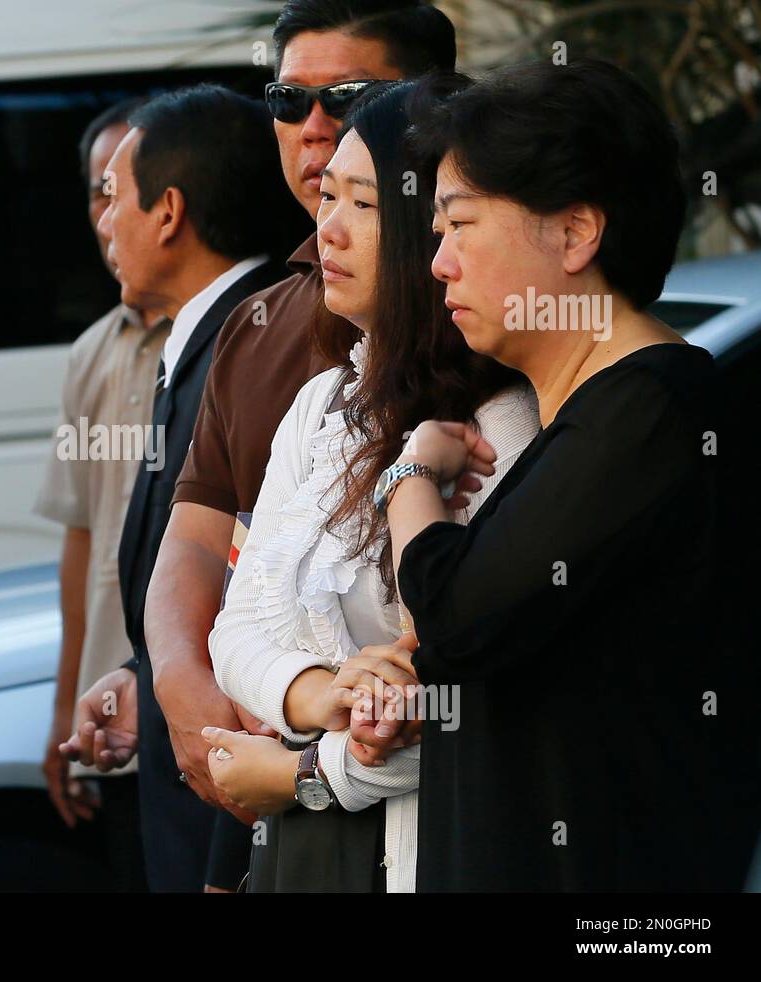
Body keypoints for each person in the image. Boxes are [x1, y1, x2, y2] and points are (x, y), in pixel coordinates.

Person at [385, 59, 760, 890]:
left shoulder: (653, 409)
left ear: (575, 233)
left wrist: (409, 475)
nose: (437, 263)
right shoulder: (595, 416)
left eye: (460, 224)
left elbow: (454, 615)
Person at [144, 0, 458, 892]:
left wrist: (312, 767)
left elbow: (464, 702)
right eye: (288, 99)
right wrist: (207, 684)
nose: (315, 125)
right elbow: (222, 581)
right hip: (268, 812)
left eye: (354, 96)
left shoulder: (504, 405)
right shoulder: (299, 364)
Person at [202, 77, 538, 892]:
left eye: (364, 204)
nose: (329, 227)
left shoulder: (498, 428)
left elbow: (469, 711)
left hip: (417, 853)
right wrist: (321, 695)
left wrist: (308, 773)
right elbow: (233, 630)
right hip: (300, 851)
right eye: (327, 198)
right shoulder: (323, 404)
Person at [58, 84, 290, 891]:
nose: (102, 221)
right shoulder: (220, 336)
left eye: (113, 196)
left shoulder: (258, 342)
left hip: (229, 804)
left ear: (169, 213)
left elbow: (261, 595)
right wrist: (139, 673)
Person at [33, 98, 168, 892]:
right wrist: (64, 708)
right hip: (114, 723)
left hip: (207, 707)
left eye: (127, 188)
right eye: (96, 191)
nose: (107, 212)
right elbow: (80, 540)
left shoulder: (237, 331)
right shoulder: (93, 349)